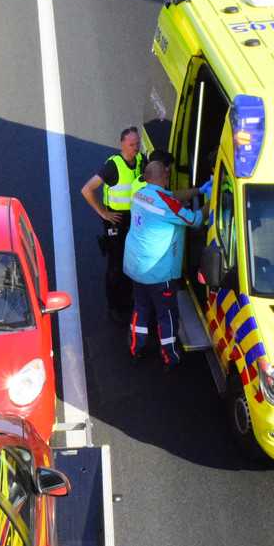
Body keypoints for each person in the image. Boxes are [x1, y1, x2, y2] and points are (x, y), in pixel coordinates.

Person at [123, 156, 203, 371]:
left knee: (140, 309)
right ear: (165, 176)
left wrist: (197, 190)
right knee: (166, 315)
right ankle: (170, 357)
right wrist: (212, 200)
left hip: (135, 267)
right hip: (159, 272)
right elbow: (194, 220)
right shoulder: (165, 204)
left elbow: (170, 198)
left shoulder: (140, 194)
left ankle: (135, 350)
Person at [80, 127, 145, 324]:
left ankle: (127, 298)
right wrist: (104, 213)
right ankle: (114, 306)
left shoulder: (141, 160)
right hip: (116, 219)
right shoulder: (113, 166)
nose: (135, 147)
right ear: (122, 145)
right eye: (131, 144)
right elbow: (87, 190)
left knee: (132, 259)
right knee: (116, 264)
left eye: (137, 143)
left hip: (135, 217)